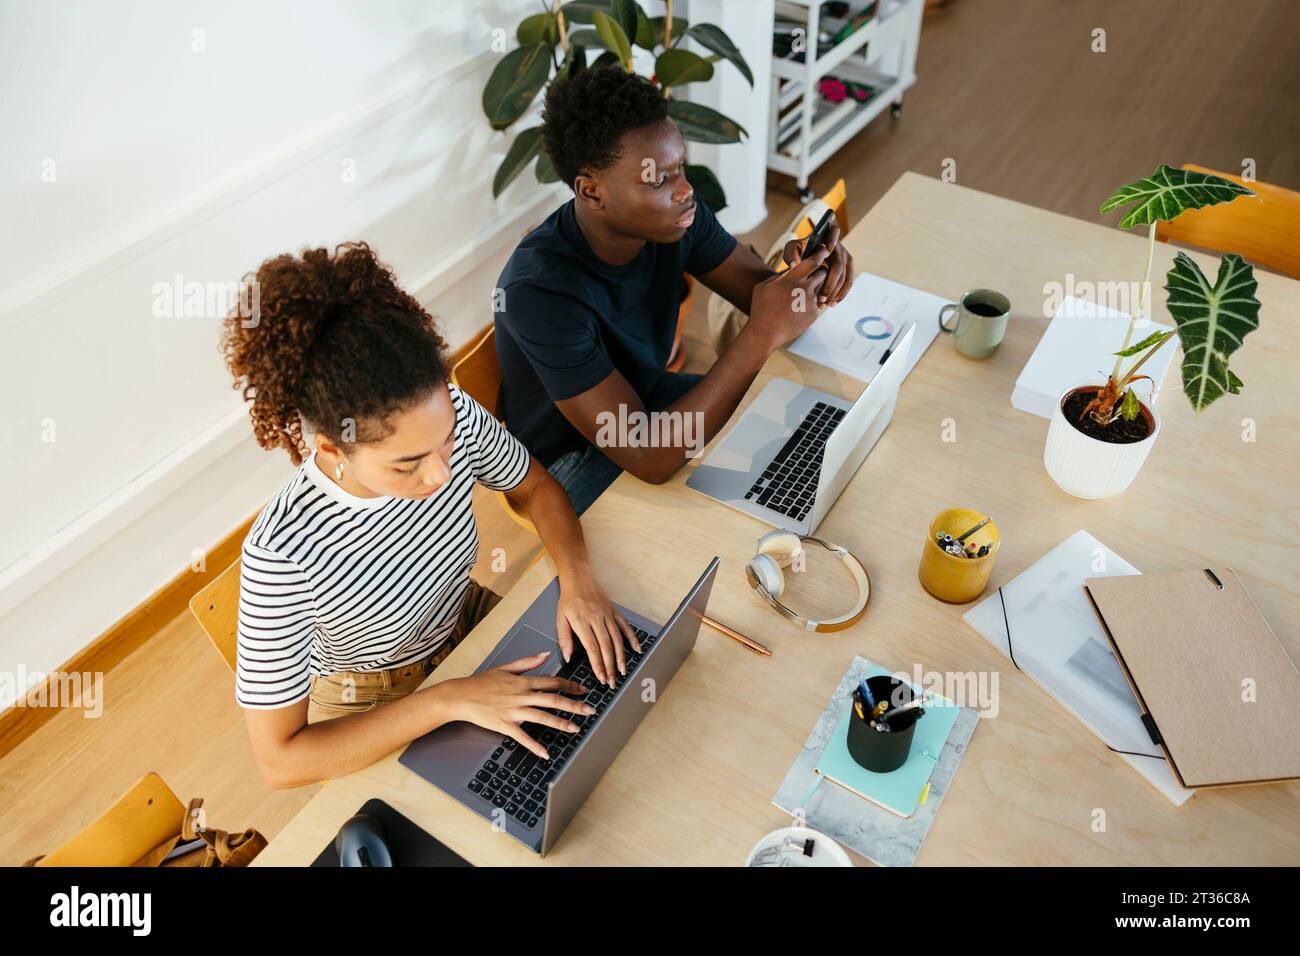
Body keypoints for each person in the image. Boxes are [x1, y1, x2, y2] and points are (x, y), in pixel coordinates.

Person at [221, 242, 639, 789]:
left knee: (607, 722)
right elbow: (280, 760)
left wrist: (578, 578)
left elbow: (536, 486)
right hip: (370, 698)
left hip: (463, 621)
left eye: (444, 445)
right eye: (408, 465)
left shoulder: (455, 418)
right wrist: (450, 698)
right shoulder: (283, 554)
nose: (441, 475)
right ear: (331, 449)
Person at [494, 65, 855, 515]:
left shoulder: (678, 216)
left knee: (802, 449)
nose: (685, 189)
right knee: (733, 512)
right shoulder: (539, 293)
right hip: (568, 464)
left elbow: (766, 298)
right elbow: (648, 457)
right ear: (591, 192)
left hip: (646, 406)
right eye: (658, 179)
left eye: (680, 166)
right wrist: (763, 330)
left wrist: (809, 275)